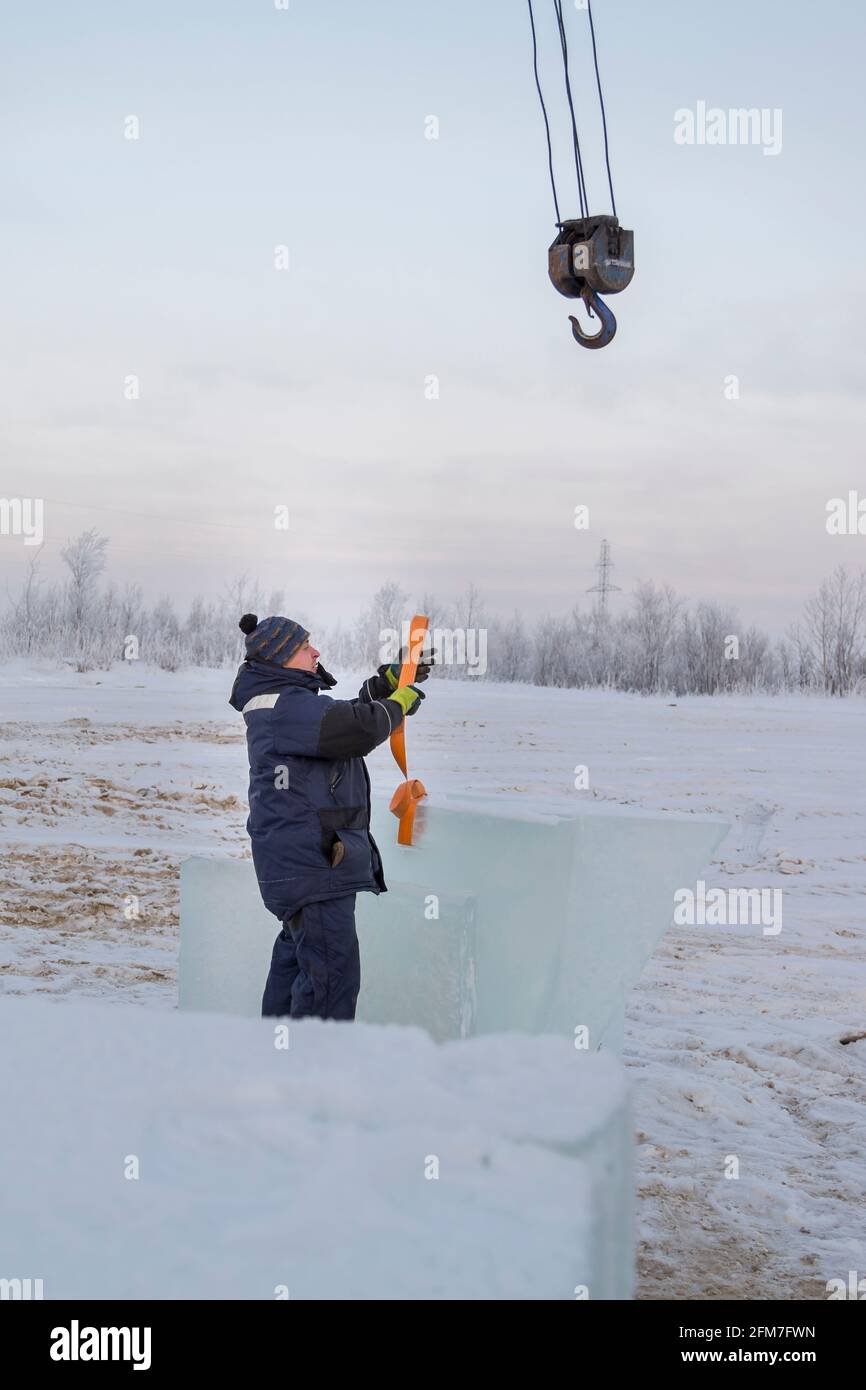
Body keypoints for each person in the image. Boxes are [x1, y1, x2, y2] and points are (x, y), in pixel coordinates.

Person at [228, 612, 430, 1021]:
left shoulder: (290, 703)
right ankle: (315, 1072)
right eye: (305, 647)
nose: (316, 651)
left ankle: (277, 1059)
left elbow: (339, 722)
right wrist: (396, 705)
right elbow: (354, 730)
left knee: (299, 969)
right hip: (313, 865)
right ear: (282, 658)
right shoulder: (284, 707)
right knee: (331, 982)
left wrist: (382, 689)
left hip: (305, 864)